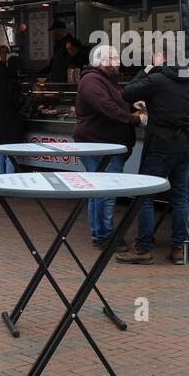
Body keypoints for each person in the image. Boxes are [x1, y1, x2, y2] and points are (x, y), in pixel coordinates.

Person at [119, 51, 189, 264]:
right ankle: (178, 248)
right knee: (180, 197)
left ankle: (143, 249)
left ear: (165, 61)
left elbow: (127, 93)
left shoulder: (157, 79)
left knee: (145, 197)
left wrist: (146, 69)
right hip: (184, 147)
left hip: (159, 146)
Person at [74, 44, 138, 249]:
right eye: (113, 58)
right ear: (100, 61)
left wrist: (131, 106)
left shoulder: (103, 80)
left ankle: (100, 233)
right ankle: (104, 235)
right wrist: (133, 119)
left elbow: (115, 102)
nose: (117, 61)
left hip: (103, 145)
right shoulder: (93, 80)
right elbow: (106, 106)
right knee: (106, 191)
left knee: (99, 191)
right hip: (100, 146)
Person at [0, 46, 25, 174]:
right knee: (11, 154)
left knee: (0, 154)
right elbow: (18, 102)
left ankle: (1, 179)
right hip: (13, 123)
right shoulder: (14, 84)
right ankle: (10, 180)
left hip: (0, 123)